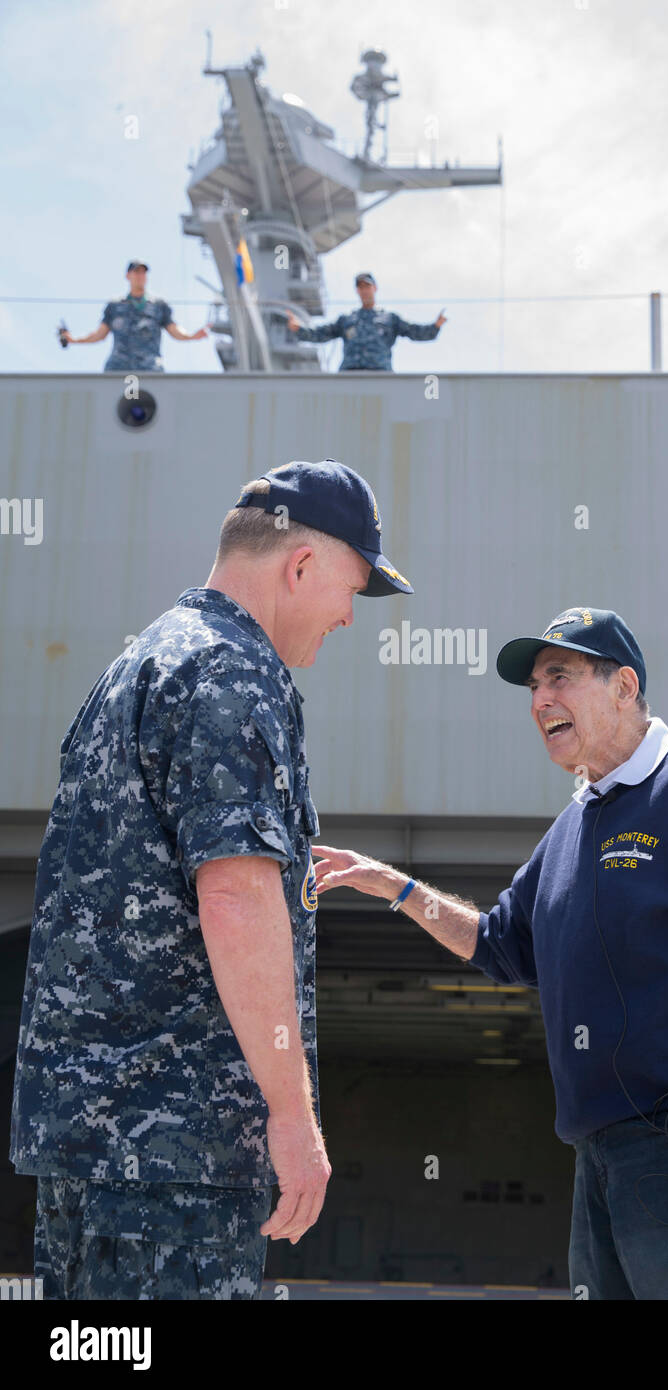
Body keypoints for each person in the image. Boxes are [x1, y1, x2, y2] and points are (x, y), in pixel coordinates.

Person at [312, 606, 668, 1301]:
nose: (541, 699)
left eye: (561, 677)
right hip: (600, 1158)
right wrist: (393, 885)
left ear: (624, 686)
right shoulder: (576, 824)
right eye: (535, 687)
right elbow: (499, 943)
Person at [9, 459, 413, 1301]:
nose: (346, 618)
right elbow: (234, 895)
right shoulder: (232, 673)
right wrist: (293, 1114)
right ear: (299, 566)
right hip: (175, 1156)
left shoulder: (139, 664)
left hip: (94, 1151)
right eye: (350, 591)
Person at [59, 260, 207, 371]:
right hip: (119, 366)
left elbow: (174, 330)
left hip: (150, 367)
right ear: (128, 276)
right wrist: (74, 340)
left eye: (143, 273)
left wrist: (192, 336)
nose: (140, 276)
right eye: (136, 272)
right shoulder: (114, 306)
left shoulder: (159, 305)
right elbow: (99, 334)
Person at [287, 271, 445, 371]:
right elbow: (321, 334)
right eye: (361, 287)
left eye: (367, 286)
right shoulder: (346, 320)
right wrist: (299, 329)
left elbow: (414, 331)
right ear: (357, 291)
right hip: (350, 374)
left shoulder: (390, 319)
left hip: (380, 374)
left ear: (374, 288)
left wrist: (435, 326)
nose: (364, 290)